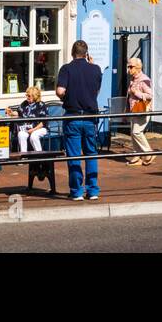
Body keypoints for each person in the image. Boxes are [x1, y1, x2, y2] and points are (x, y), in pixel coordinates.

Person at [56, 40, 103, 201]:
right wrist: (92, 65)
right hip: (90, 116)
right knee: (91, 153)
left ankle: (76, 192)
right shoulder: (96, 69)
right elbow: (95, 90)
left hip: (73, 115)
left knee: (74, 155)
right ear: (86, 54)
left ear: (72, 53)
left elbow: (60, 91)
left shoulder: (66, 69)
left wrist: (66, 95)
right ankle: (93, 190)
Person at [125, 57, 155, 165]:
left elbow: (150, 95)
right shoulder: (133, 79)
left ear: (138, 67)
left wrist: (136, 92)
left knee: (136, 132)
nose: (129, 69)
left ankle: (148, 153)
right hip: (134, 110)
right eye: (128, 66)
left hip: (142, 110)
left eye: (131, 67)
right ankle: (137, 155)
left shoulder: (144, 79)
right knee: (133, 134)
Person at [8, 85, 49, 153]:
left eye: (29, 95)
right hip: (27, 128)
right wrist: (11, 112)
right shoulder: (25, 103)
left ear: (34, 96)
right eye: (26, 95)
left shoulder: (41, 105)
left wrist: (33, 130)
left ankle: (40, 155)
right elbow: (19, 112)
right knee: (21, 134)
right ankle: (23, 156)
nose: (27, 97)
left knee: (34, 136)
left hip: (39, 128)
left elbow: (43, 122)